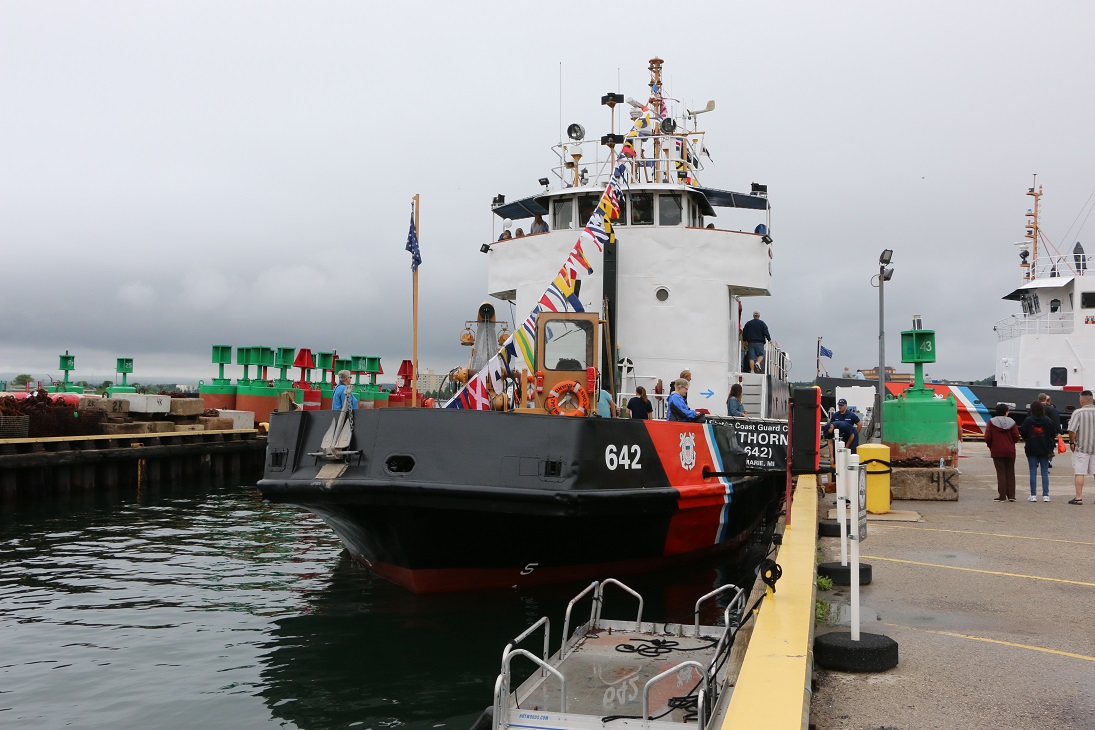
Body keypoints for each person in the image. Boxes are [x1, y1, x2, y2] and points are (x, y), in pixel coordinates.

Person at [1020, 401, 1055, 501]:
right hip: (1045, 448)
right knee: (1044, 472)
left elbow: (1023, 432)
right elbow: (1053, 433)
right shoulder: (1047, 420)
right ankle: (1046, 495)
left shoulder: (1028, 420)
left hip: (1031, 447)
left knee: (1032, 471)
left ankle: (1033, 495)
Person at [984, 403, 1020, 502]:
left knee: (1001, 473)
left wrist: (991, 445)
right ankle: (1012, 495)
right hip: (1010, 451)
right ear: (1006, 412)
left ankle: (1002, 496)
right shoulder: (1012, 422)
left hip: (997, 450)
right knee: (1010, 472)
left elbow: (987, 437)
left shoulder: (991, 422)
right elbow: (1016, 436)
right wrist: (1011, 442)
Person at [1067, 389, 1095, 504]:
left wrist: (1072, 443)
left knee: (1080, 472)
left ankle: (1078, 497)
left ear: (1082, 400)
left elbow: (1072, 430)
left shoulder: (1078, 413)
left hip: (1082, 447)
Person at [1038, 393, 1062, 467]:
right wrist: (1058, 431)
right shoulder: (1052, 409)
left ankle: (1037, 461)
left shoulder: (1034, 408)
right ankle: (1048, 460)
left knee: (1038, 446)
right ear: (1048, 400)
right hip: (1048, 433)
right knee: (1050, 447)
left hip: (1037, 432)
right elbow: (1056, 421)